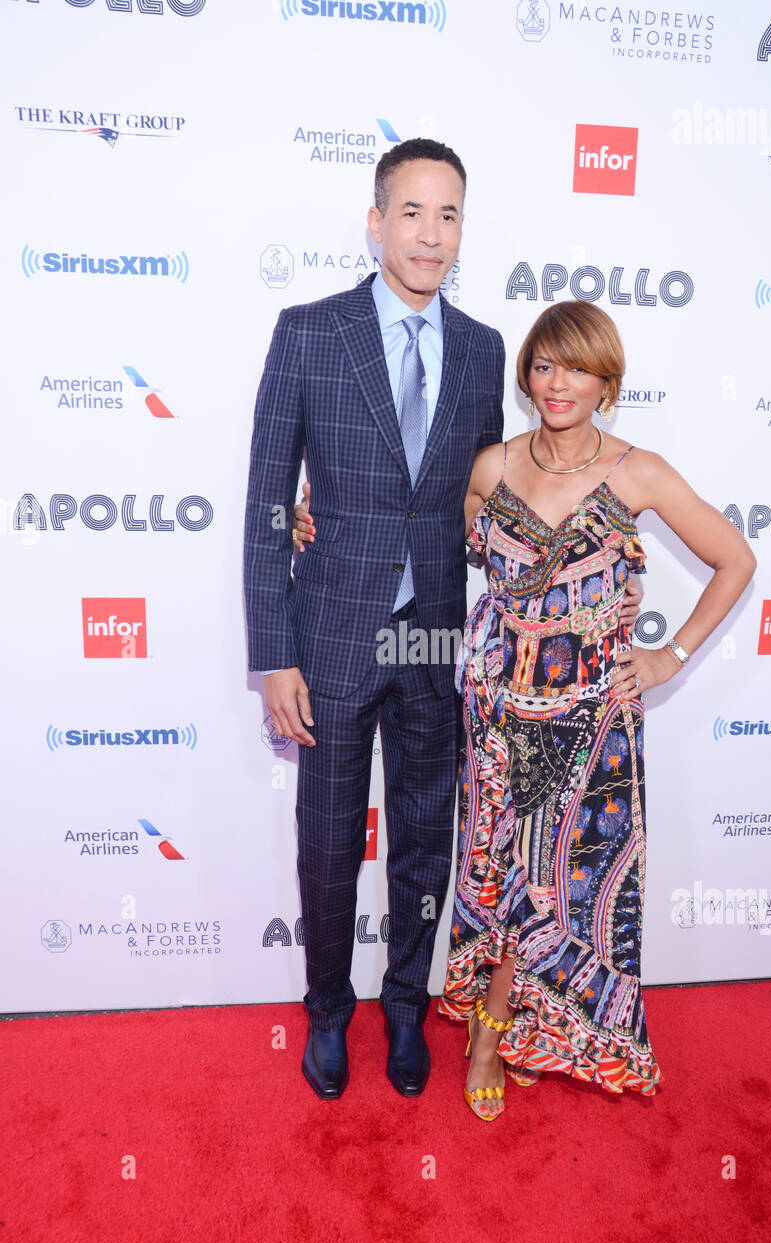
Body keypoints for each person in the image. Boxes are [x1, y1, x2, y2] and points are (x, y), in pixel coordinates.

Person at [297, 297, 756, 1119]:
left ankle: (496, 1030)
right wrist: (314, 520)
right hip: (495, 710)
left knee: (556, 885)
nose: (557, 383)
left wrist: (665, 657)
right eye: (543, 366)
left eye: (576, 368)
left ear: (605, 382)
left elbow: (734, 559)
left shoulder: (635, 472)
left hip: (589, 723)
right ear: (525, 377)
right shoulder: (492, 468)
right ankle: (487, 1021)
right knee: (497, 874)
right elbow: (424, 531)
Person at [243, 137, 508, 1101]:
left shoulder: (483, 349)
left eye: (448, 217)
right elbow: (270, 501)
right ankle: (325, 1012)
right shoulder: (310, 331)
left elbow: (484, 496)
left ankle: (405, 1006)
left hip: (435, 635)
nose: (429, 235)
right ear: (375, 220)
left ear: (460, 232)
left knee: (425, 838)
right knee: (326, 841)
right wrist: (273, 654)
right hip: (335, 634)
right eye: (411, 212)